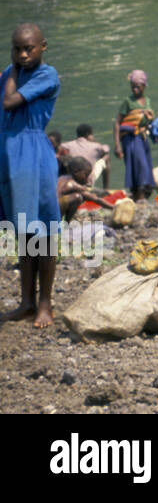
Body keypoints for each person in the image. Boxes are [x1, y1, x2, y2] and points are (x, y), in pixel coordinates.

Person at [0, 24, 61, 328]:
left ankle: (45, 304)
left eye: (29, 48)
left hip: (33, 155)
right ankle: (26, 302)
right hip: (10, 156)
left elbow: (10, 102)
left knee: (45, 232)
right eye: (17, 49)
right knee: (24, 233)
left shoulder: (45, 75)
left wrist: (11, 68)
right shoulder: (10, 76)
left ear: (42, 47)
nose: (23, 54)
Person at [115, 70, 158, 201]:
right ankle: (140, 200)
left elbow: (149, 123)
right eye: (133, 86)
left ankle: (139, 200)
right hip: (130, 139)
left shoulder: (147, 100)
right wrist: (117, 146)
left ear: (144, 86)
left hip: (142, 138)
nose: (135, 89)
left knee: (146, 169)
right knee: (139, 168)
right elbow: (118, 123)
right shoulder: (127, 102)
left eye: (138, 86)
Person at [57, 157, 111, 221]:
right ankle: (66, 223)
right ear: (76, 171)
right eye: (86, 175)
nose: (87, 179)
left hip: (45, 210)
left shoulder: (61, 178)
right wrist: (113, 207)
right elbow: (96, 199)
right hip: (53, 215)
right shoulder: (73, 184)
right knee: (78, 197)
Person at [62, 123, 111, 191]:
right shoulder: (96, 146)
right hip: (88, 179)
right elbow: (106, 149)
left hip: (71, 177)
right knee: (107, 157)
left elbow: (60, 146)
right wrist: (94, 141)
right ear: (88, 134)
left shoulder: (67, 145)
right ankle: (106, 188)